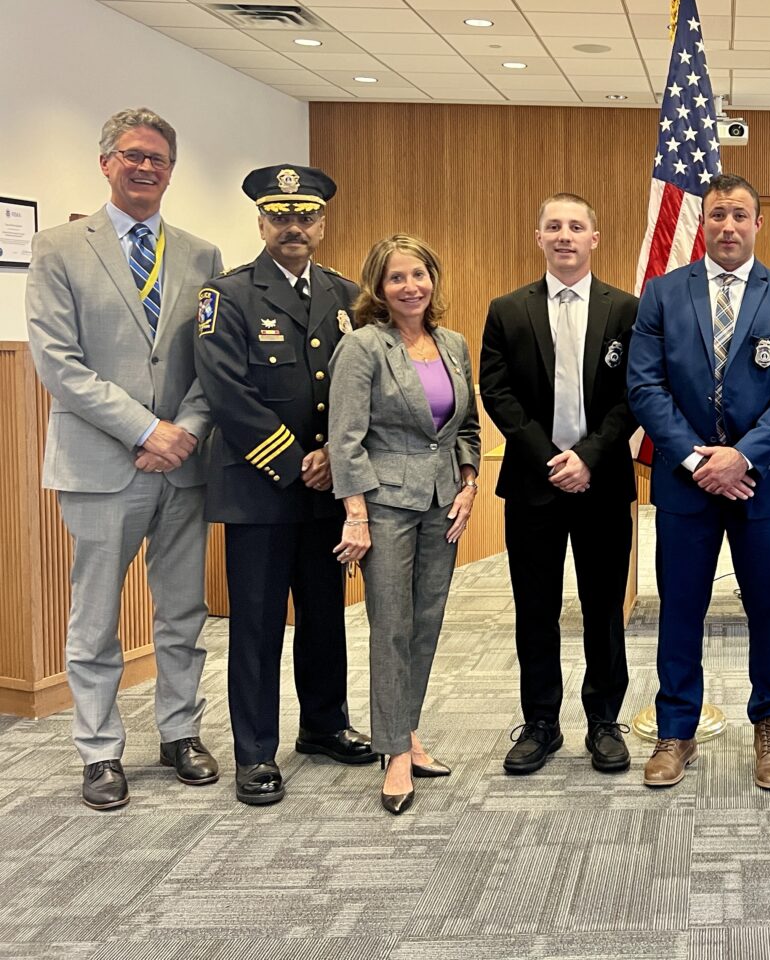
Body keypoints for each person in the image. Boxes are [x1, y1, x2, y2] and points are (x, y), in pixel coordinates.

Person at [25, 107, 223, 810]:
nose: (146, 168)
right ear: (106, 161)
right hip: (103, 464)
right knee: (96, 617)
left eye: (159, 160)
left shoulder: (201, 256)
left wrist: (186, 430)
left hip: (183, 466)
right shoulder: (57, 249)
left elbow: (211, 363)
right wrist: (147, 431)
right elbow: (58, 363)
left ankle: (179, 732)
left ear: (172, 171)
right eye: (133, 155)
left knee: (182, 612)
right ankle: (99, 750)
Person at [627, 173, 770, 790]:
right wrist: (696, 460)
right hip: (684, 486)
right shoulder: (661, 294)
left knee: (769, 608)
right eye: (717, 216)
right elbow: (645, 387)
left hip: (759, 483)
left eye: (740, 215)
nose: (728, 226)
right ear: (703, 223)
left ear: (759, 224)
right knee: (681, 609)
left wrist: (741, 458)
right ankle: (675, 730)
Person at [193, 165, 372, 807]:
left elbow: (359, 386)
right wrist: (298, 458)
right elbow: (225, 391)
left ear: (322, 223)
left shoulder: (348, 294)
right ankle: (256, 752)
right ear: (262, 222)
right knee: (260, 623)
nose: (294, 227)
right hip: (261, 487)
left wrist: (333, 458)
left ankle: (324, 725)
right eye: (281, 216)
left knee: (325, 616)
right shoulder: (229, 294)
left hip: (329, 488)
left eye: (306, 217)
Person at [480, 193, 640, 776]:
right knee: (535, 609)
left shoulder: (626, 308)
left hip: (601, 483)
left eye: (576, 226)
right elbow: (497, 392)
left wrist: (590, 457)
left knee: (603, 607)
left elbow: (634, 394)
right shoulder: (507, 309)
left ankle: (604, 721)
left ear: (594, 238)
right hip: (532, 485)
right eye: (554, 226)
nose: (565, 235)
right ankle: (541, 723)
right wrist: (551, 458)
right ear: (539, 237)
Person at [328, 234, 480, 815]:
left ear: (433, 280)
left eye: (419, 274)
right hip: (385, 504)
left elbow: (466, 427)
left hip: (444, 501)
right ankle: (394, 754)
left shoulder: (453, 344)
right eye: (397, 278)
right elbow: (345, 437)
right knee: (390, 626)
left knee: (425, 622)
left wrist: (468, 484)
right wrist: (356, 515)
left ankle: (408, 731)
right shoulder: (364, 346)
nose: (411, 286)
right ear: (379, 287)